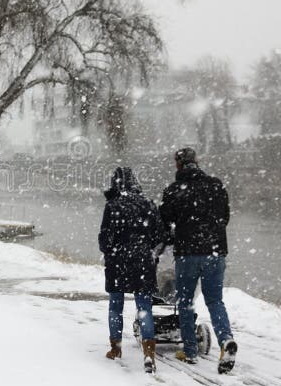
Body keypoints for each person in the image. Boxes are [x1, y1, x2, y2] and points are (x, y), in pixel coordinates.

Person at [160, 148, 238, 374]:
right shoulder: (216, 185)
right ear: (197, 162)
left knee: (185, 301)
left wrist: (174, 236)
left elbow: (164, 222)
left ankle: (190, 351)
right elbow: (224, 217)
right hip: (215, 252)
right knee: (215, 301)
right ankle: (226, 340)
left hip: (187, 253)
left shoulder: (174, 190)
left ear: (178, 165)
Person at [98, 167, 166, 373]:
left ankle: (115, 349)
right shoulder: (147, 204)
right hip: (142, 260)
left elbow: (104, 238)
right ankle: (148, 355)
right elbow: (158, 234)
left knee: (115, 305)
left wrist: (110, 250)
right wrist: (145, 248)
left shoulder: (113, 205)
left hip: (118, 260)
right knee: (144, 307)